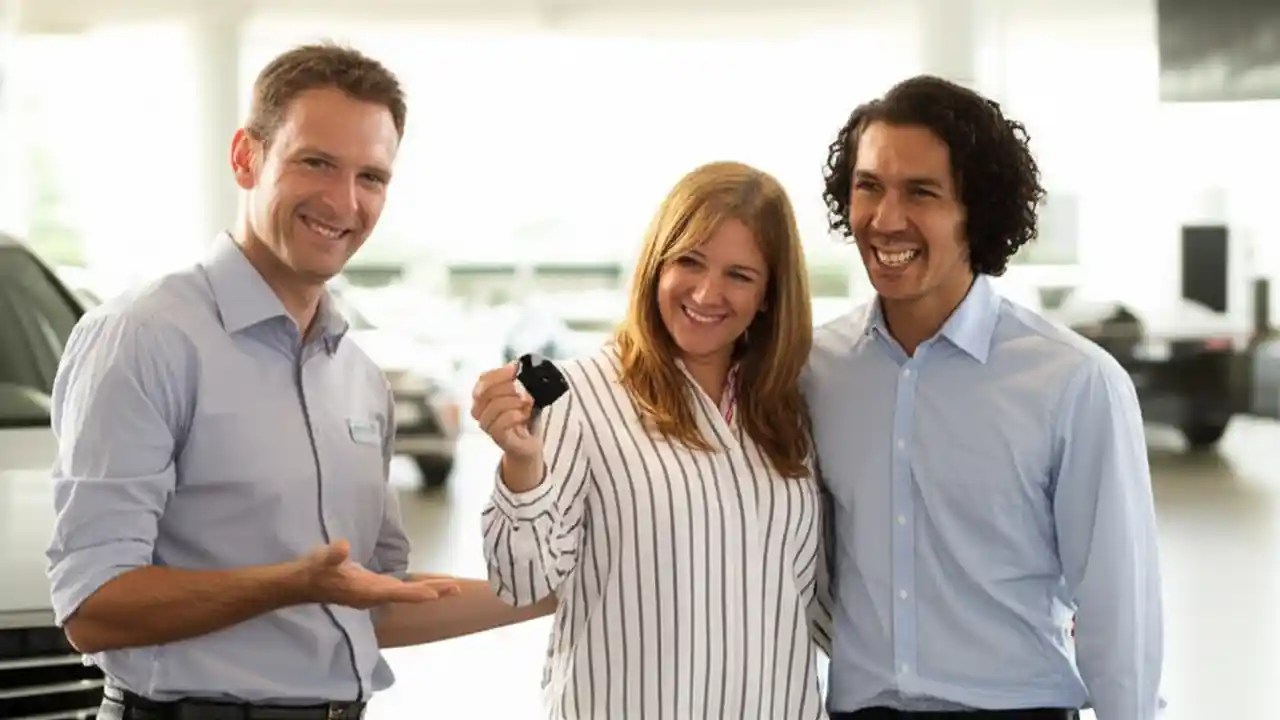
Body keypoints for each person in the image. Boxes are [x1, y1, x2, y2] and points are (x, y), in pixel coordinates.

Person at [46, 43, 550, 720]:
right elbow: (92, 608)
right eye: (317, 163)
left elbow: (374, 599)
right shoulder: (144, 337)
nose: (344, 202)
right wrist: (291, 584)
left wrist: (566, 591)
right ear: (246, 157)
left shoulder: (360, 377)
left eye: (372, 177)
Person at [807, 75, 1164, 720]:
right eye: (869, 187)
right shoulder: (815, 370)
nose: (886, 220)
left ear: (978, 210)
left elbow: (1119, 605)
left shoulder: (1073, 383)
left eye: (922, 192)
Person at [471, 161, 834, 719]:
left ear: (768, 295)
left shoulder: (790, 414)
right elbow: (521, 583)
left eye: (739, 275)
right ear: (656, 263)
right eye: (690, 260)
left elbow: (811, 602)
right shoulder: (584, 396)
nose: (707, 292)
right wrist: (522, 466)